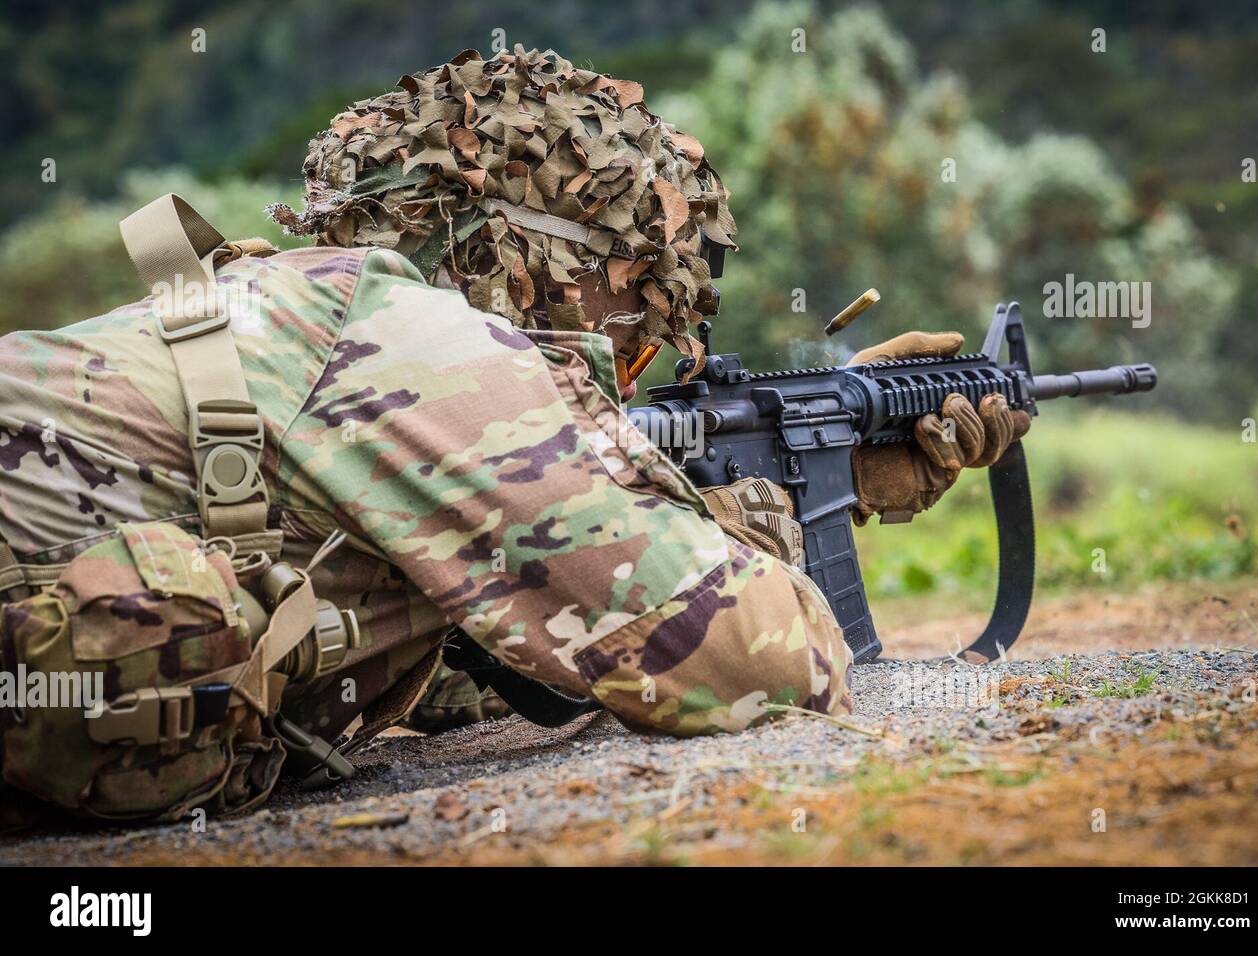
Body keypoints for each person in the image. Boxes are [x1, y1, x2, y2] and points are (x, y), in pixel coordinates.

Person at [0, 46, 1025, 823]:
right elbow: (764, 662)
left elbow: (470, 651)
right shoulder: (422, 342)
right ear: (517, 256)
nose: (644, 358)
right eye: (638, 303)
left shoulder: (304, 314)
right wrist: (753, 522)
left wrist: (830, 472)